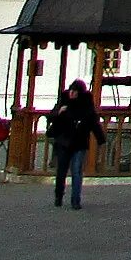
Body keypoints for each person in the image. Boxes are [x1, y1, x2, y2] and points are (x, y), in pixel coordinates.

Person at [45, 78, 104, 210]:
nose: (72, 93)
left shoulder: (86, 106)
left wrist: (100, 139)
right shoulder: (64, 102)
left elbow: (94, 123)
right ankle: (58, 196)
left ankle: (75, 200)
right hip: (63, 142)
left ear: (80, 93)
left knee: (77, 171)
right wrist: (59, 112)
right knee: (61, 170)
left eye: (75, 91)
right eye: (71, 90)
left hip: (79, 143)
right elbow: (51, 116)